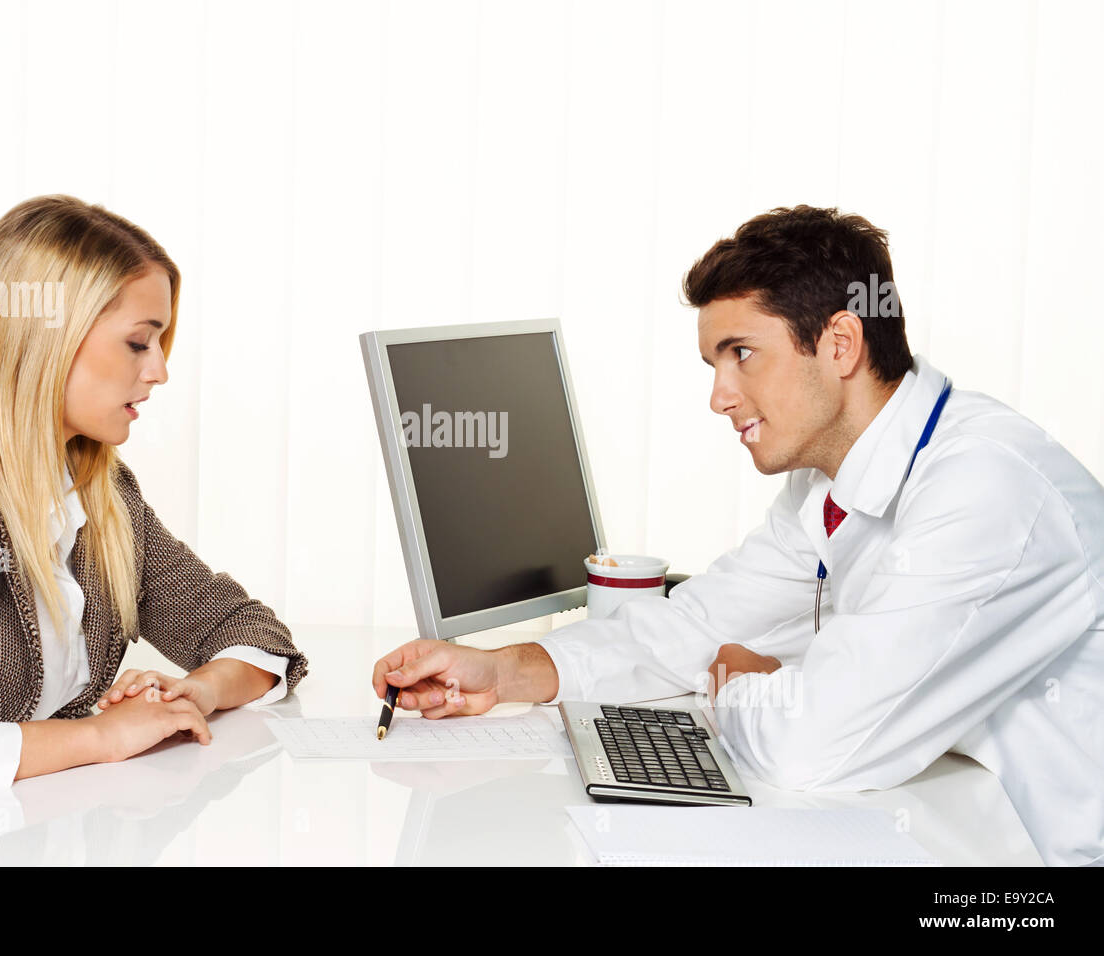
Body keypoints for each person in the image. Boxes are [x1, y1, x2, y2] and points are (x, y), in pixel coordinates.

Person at [373, 205, 1104, 867]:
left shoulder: (985, 491)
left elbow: (813, 745)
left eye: (742, 353)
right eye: (713, 364)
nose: (720, 396)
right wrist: (503, 672)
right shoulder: (830, 477)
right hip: (953, 827)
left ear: (841, 343)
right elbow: (699, 622)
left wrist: (749, 685)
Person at [0, 195, 307, 866]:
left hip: (6, 841)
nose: (158, 369)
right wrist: (101, 738)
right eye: (138, 341)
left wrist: (199, 691)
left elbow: (254, 633)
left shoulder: (100, 492)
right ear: (46, 338)